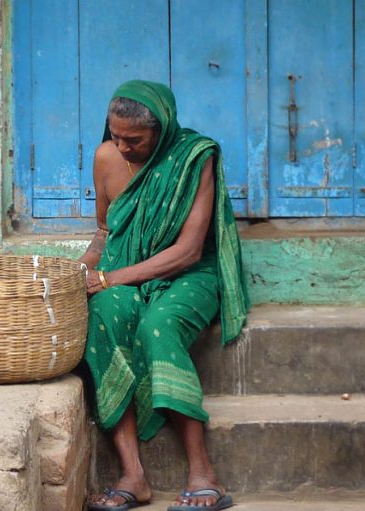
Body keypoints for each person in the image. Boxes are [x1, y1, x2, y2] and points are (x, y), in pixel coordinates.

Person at [79, 80, 249, 511]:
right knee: (102, 315)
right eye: (115, 135)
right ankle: (133, 475)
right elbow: (105, 231)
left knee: (159, 326)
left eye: (133, 140)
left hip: (188, 274)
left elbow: (188, 250)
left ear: (163, 130)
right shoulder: (105, 157)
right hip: (122, 270)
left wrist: (112, 277)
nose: (122, 146)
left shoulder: (195, 158)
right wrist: (80, 273)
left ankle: (202, 472)